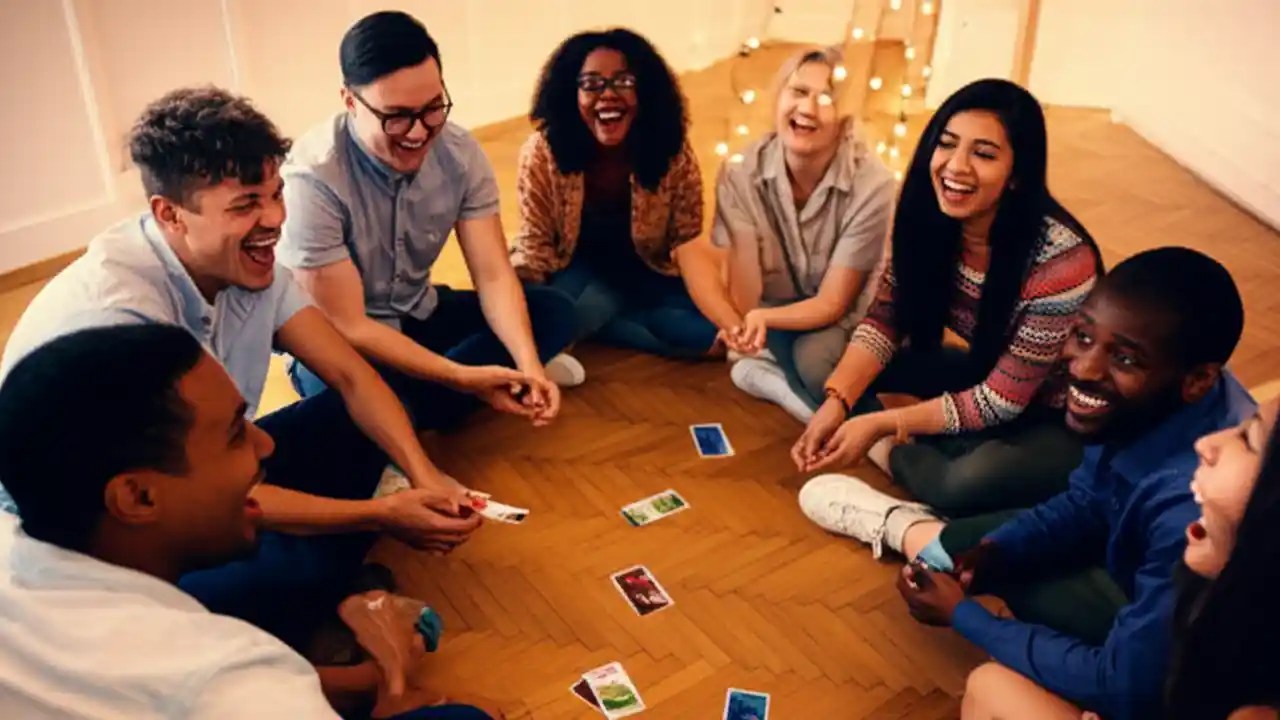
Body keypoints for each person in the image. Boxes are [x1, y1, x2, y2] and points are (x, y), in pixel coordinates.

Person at [0, 87, 481, 656]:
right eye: (246, 203)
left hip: (215, 466)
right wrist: (378, 513)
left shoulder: (248, 261)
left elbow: (350, 374)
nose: (276, 218)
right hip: (104, 545)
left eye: (277, 194)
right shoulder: (118, 319)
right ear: (169, 215)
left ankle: (336, 585)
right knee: (291, 567)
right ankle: (335, 595)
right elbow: (183, 495)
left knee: (375, 405)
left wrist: (423, 473)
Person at [798, 247, 1253, 720]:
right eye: (1082, 336)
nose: (1083, 368)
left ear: (1198, 380)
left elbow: (1125, 687)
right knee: (987, 553)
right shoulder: (1159, 402)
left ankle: (906, 527)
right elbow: (1086, 501)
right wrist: (998, 551)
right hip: (1143, 595)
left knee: (996, 659)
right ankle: (919, 530)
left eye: (1125, 359)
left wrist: (968, 618)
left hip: (1173, 671)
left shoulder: (1198, 505)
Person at [0, 325, 493, 719]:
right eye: (236, 434)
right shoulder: (235, 681)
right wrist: (393, 690)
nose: (265, 445)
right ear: (137, 495)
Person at [793, 78, 1101, 517]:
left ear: (1017, 174)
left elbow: (1003, 400)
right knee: (817, 359)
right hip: (982, 374)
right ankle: (859, 430)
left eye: (983, 154)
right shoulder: (929, 213)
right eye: (947, 144)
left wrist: (884, 423)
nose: (955, 167)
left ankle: (878, 447)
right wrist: (837, 401)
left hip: (1055, 413)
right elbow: (886, 319)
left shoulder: (1062, 262)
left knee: (966, 484)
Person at [279, 11, 577, 430]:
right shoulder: (312, 179)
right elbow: (349, 324)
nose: (419, 132)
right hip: (343, 340)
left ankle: (438, 402)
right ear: (350, 102)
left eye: (433, 108)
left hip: (419, 313)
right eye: (397, 116)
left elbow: (493, 275)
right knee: (345, 395)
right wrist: (460, 376)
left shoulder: (459, 152)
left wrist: (530, 365)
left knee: (556, 311)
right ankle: (450, 396)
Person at [510, 28, 728, 360]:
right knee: (570, 312)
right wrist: (520, 297)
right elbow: (535, 240)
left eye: (624, 82)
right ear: (571, 94)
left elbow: (687, 239)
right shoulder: (543, 152)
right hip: (578, 272)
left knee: (709, 340)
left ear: (645, 91)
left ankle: (604, 328)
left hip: (650, 271)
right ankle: (602, 323)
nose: (608, 94)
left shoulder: (672, 150)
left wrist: (722, 311)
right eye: (591, 84)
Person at [711, 47, 895, 422]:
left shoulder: (874, 184)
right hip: (779, 312)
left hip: (849, 318)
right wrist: (748, 325)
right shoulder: (739, 173)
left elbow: (833, 304)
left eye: (826, 98)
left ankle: (876, 433)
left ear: (846, 118)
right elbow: (746, 295)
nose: (808, 109)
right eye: (797, 92)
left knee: (814, 363)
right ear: (778, 97)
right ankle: (787, 387)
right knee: (699, 329)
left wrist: (762, 323)